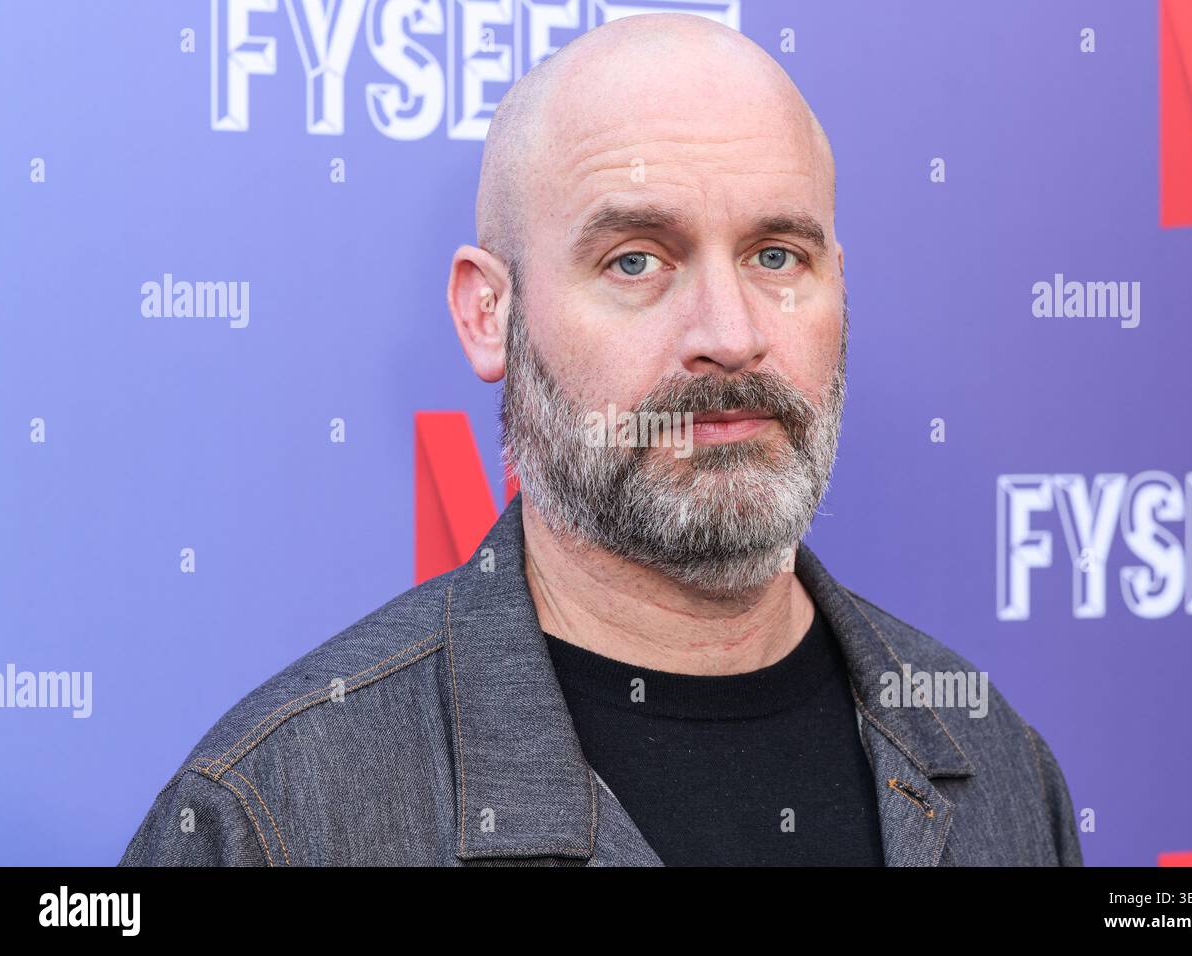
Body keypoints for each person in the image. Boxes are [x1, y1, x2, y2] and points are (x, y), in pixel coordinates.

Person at [120, 12, 1081, 867]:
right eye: (635, 260)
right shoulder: (278, 818)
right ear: (488, 312)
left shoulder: (994, 762)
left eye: (777, 255)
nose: (729, 332)